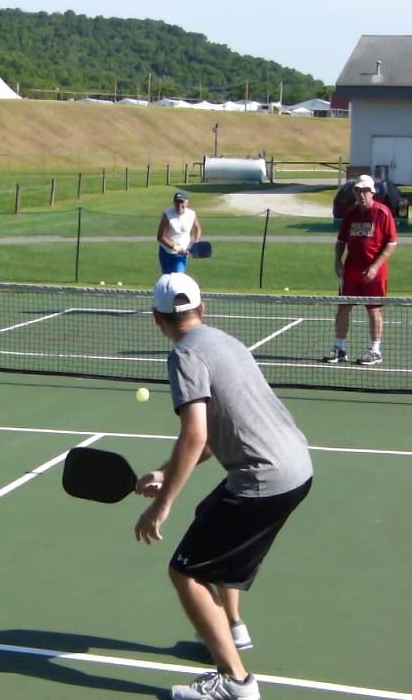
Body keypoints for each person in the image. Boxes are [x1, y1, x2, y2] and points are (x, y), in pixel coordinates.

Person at [136, 273, 314, 700]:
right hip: (297, 469)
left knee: (185, 571)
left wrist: (161, 503)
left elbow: (195, 434)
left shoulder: (184, 357)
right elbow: (216, 436)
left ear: (157, 319)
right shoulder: (224, 341)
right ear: (203, 309)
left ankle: (236, 682)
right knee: (211, 524)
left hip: (262, 480)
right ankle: (231, 626)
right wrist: (165, 472)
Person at [323, 174, 398, 366]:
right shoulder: (351, 214)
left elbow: (391, 243)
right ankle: (340, 348)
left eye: (365, 191)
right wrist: (338, 262)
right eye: (358, 191)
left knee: (374, 310)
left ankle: (375, 350)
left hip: (375, 274)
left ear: (372, 192)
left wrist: (375, 266)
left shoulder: (383, 213)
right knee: (343, 308)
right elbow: (341, 241)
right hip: (351, 272)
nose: (361, 195)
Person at [157, 191, 203, 273]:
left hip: (182, 254)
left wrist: (196, 242)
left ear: (187, 202)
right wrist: (178, 248)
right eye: (177, 202)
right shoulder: (167, 215)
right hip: (166, 252)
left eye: (181, 202)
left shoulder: (191, 214)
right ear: (174, 203)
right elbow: (160, 237)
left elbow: (198, 228)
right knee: (167, 277)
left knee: (179, 275)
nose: (179, 205)